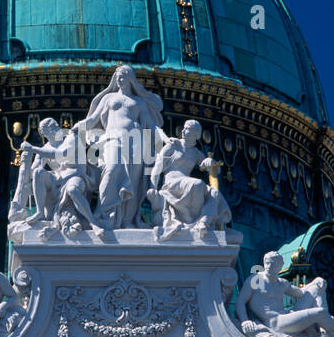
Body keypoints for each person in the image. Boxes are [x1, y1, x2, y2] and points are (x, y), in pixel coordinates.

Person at [82, 65, 165, 229]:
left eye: (123, 76)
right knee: (112, 169)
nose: (119, 79)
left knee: (134, 181)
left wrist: (166, 139)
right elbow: (93, 119)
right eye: (117, 77)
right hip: (113, 139)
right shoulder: (109, 98)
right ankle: (103, 214)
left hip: (135, 142)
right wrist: (78, 127)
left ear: (130, 79)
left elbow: (151, 125)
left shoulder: (139, 102)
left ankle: (127, 219)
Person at [148, 119, 230, 239]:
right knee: (198, 184)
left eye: (187, 129)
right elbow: (158, 167)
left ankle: (203, 222)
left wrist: (210, 163)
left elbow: (211, 169)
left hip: (186, 183)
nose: (183, 131)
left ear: (196, 135)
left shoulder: (196, 153)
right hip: (171, 183)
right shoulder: (173, 146)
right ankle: (190, 220)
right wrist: (153, 188)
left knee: (214, 193)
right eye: (184, 128)